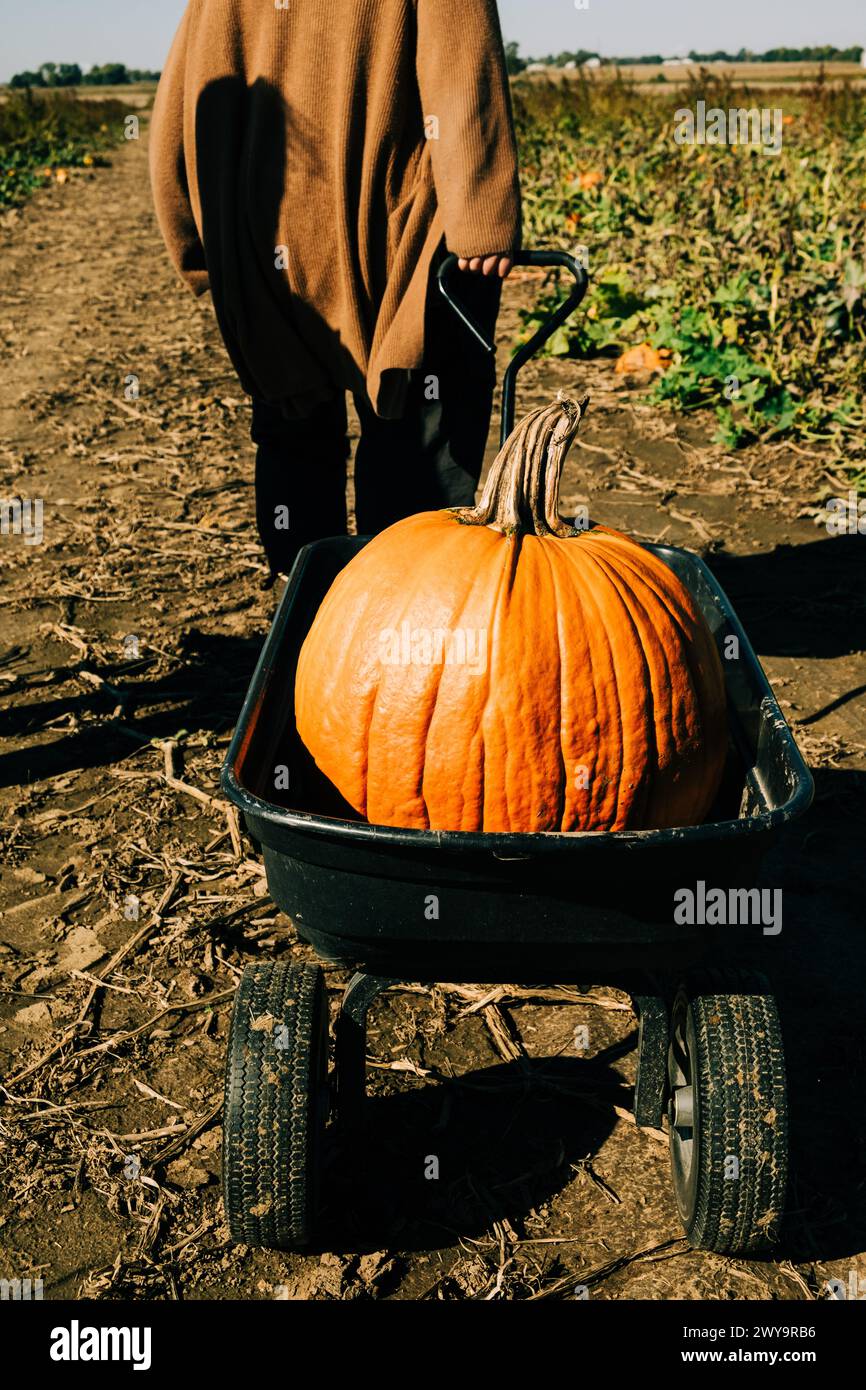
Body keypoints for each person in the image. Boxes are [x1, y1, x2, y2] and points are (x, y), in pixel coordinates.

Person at [150, 0, 521, 585]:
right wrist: (482, 216)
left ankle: (311, 609)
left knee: (294, 423)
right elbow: (461, 62)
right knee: (420, 425)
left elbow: (183, 91)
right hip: (393, 225)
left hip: (270, 231)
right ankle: (396, 610)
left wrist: (190, 231)